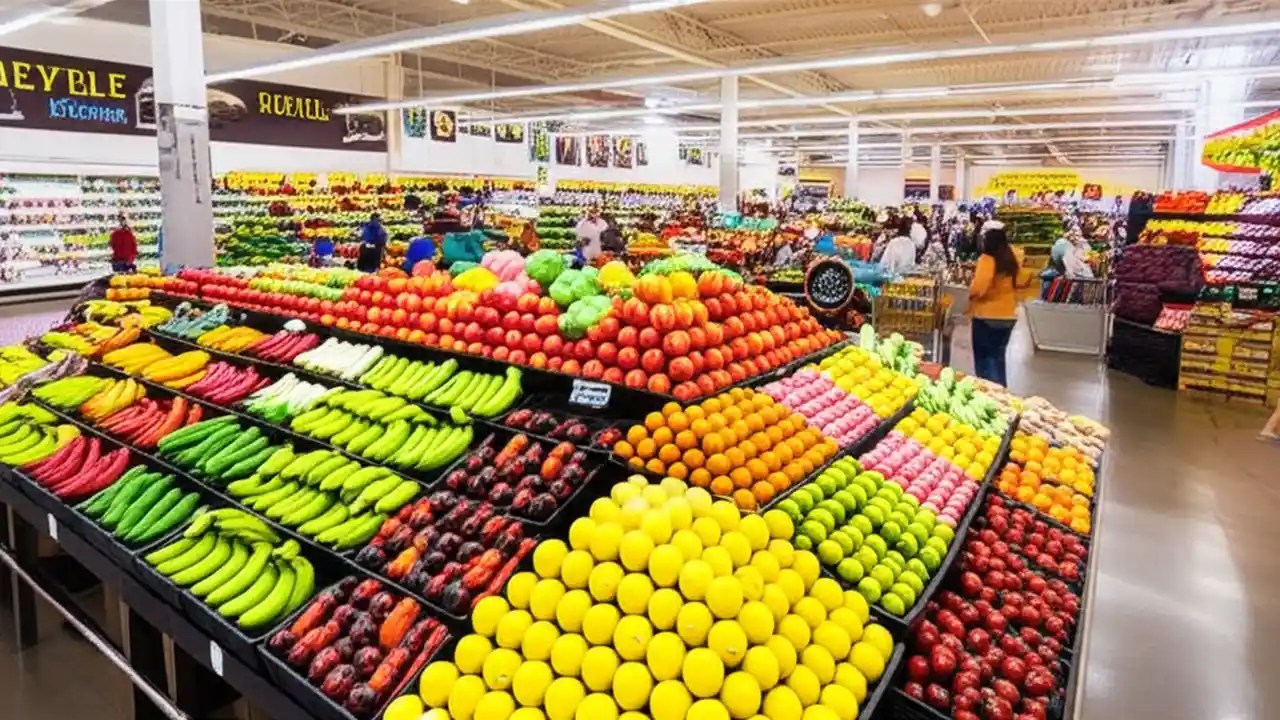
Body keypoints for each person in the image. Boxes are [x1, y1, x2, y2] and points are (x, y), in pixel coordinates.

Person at [969, 221, 1024, 386]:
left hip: (986, 316)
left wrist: (971, 294)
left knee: (985, 360)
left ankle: (990, 397)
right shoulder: (1013, 257)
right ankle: (1002, 394)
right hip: (1008, 315)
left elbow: (979, 288)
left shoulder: (987, 259)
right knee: (999, 358)